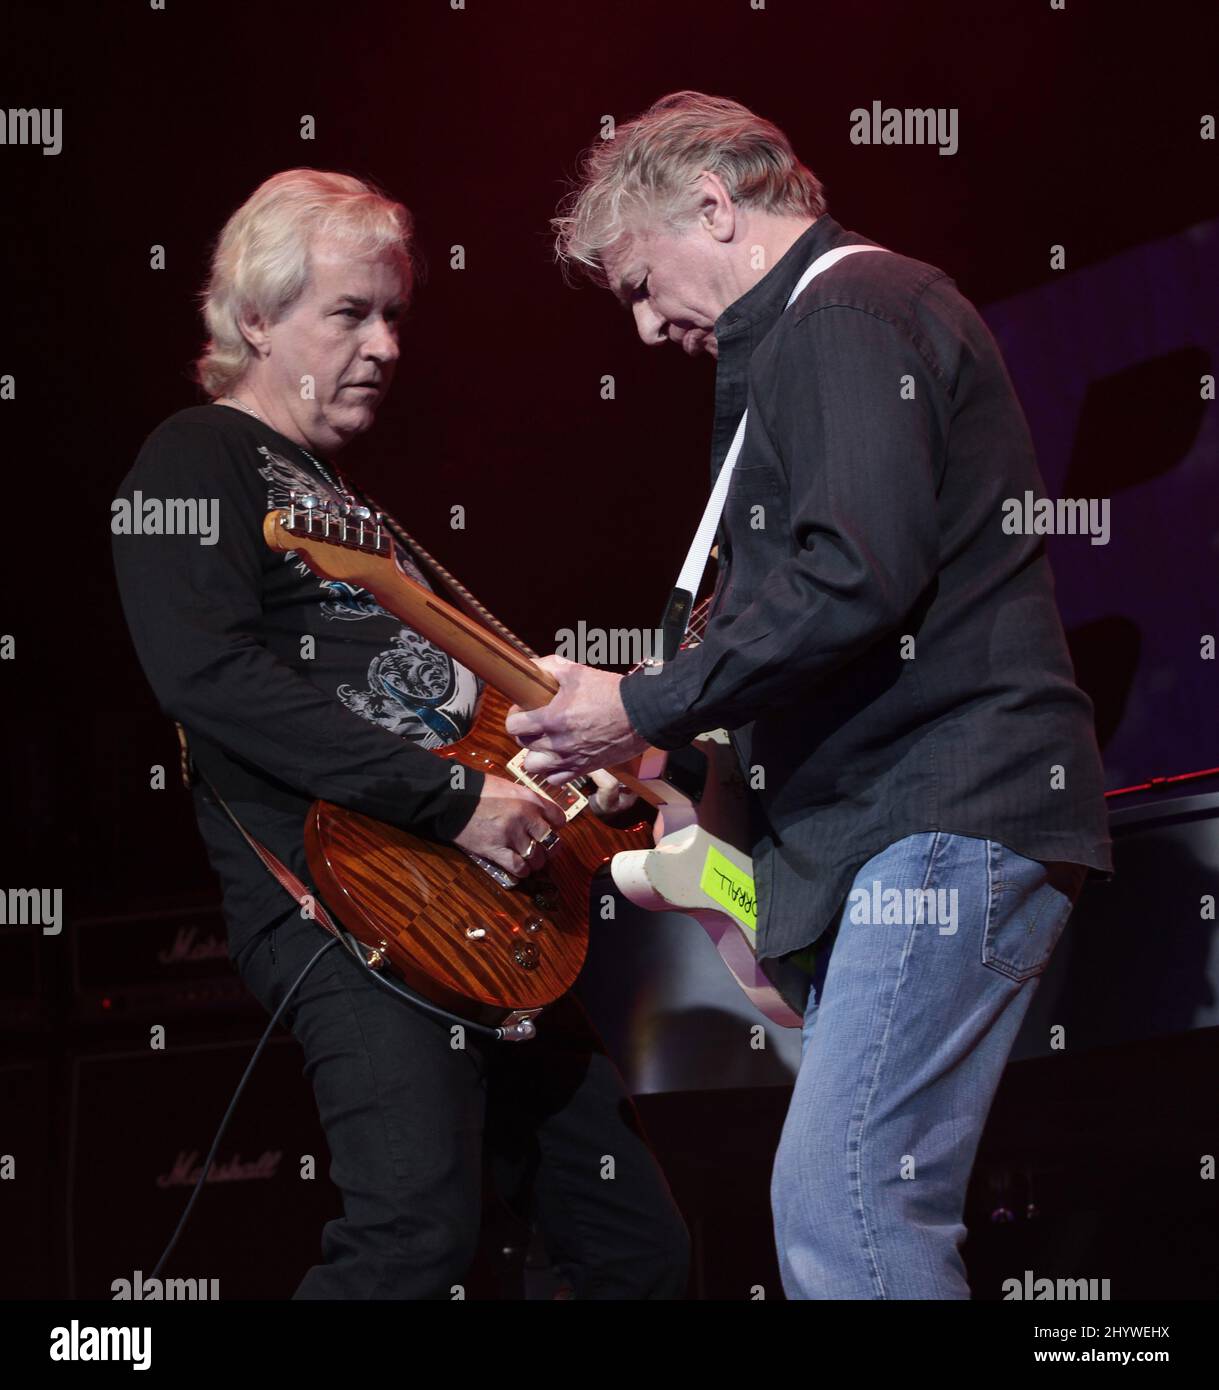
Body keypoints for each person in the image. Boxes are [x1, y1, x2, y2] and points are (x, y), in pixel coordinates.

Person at [506, 92, 1113, 1299]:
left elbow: (853, 573)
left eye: (637, 281)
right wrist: (667, 749)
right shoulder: (827, 327)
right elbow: (828, 603)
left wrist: (644, 701)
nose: (640, 328)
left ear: (714, 206)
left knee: (848, 1196)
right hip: (899, 825)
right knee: (852, 1195)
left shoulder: (846, 308)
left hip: (942, 811)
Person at [111, 168, 689, 1300]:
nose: (385, 344)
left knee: (634, 1248)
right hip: (352, 904)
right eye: (349, 312)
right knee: (413, 1239)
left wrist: (571, 776)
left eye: (393, 315)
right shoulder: (195, 458)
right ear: (255, 319)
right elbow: (204, 674)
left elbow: (455, 713)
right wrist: (457, 805)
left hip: (485, 913)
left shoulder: (352, 505)